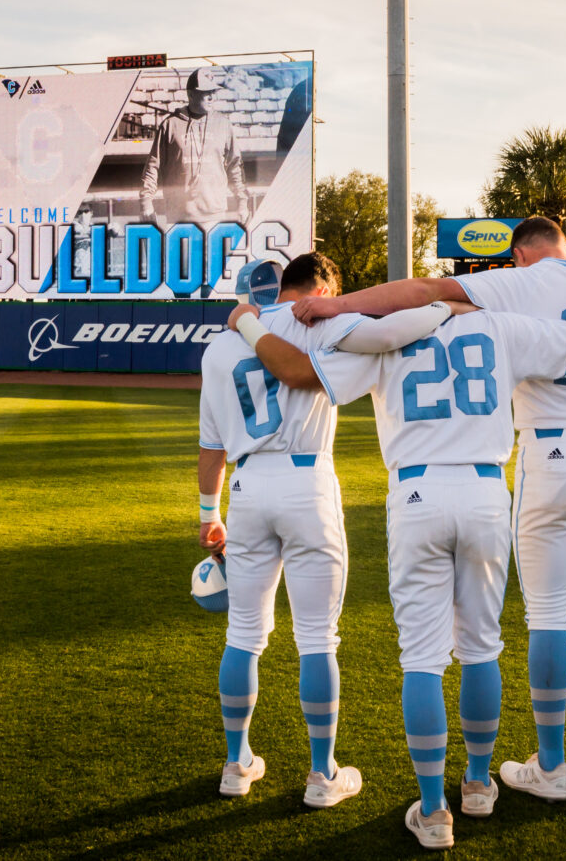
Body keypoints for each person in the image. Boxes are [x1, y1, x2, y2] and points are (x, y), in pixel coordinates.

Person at [229, 260, 566, 849]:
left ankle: (435, 811)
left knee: (422, 658)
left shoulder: (392, 328)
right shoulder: (502, 323)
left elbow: (303, 375)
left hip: (414, 491)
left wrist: (253, 324)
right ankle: (480, 784)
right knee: (482, 647)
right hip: (487, 486)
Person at [291, 216, 566, 801]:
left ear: (518, 255)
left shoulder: (493, 298)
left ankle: (516, 778)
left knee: (491, 633)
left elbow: (385, 316)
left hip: (490, 468)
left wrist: (327, 308)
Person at [196, 252, 459, 807]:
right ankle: (321, 774)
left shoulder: (220, 346)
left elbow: (211, 443)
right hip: (306, 480)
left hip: (245, 488)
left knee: (243, 633)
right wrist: (447, 303)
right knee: (316, 636)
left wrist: (207, 514)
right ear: (325, 287)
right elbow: (392, 329)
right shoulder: (327, 319)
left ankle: (235, 764)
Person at [140, 67, 248, 228]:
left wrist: (242, 202)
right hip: (179, 216)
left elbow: (235, 166)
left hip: (214, 215)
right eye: (206, 92)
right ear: (191, 94)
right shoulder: (170, 125)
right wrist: (146, 202)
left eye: (213, 91)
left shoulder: (223, 124)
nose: (211, 97)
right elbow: (152, 167)